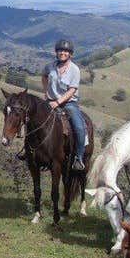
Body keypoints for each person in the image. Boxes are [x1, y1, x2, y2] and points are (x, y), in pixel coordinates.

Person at [42, 40, 86, 170]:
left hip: (68, 103)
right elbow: (44, 76)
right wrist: (46, 92)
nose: (63, 53)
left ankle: (78, 157)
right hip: (50, 102)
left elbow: (72, 90)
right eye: (60, 50)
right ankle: (29, 151)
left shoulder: (74, 69)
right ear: (56, 52)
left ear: (70, 54)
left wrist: (58, 102)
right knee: (32, 119)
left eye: (66, 51)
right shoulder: (50, 66)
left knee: (79, 128)